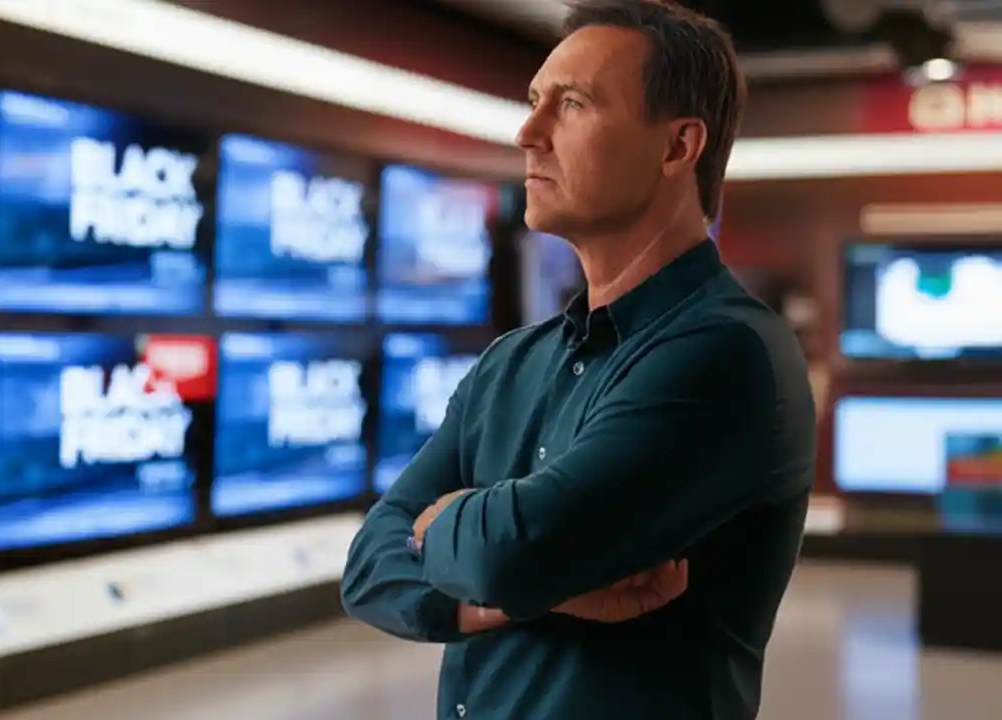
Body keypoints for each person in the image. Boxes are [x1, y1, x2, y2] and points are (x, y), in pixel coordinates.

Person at [340, 1, 817, 718]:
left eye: (573, 104)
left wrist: (450, 529)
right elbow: (369, 564)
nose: (528, 134)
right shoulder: (512, 362)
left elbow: (509, 554)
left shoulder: (728, 355)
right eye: (535, 102)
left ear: (677, 147)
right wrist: (493, 603)